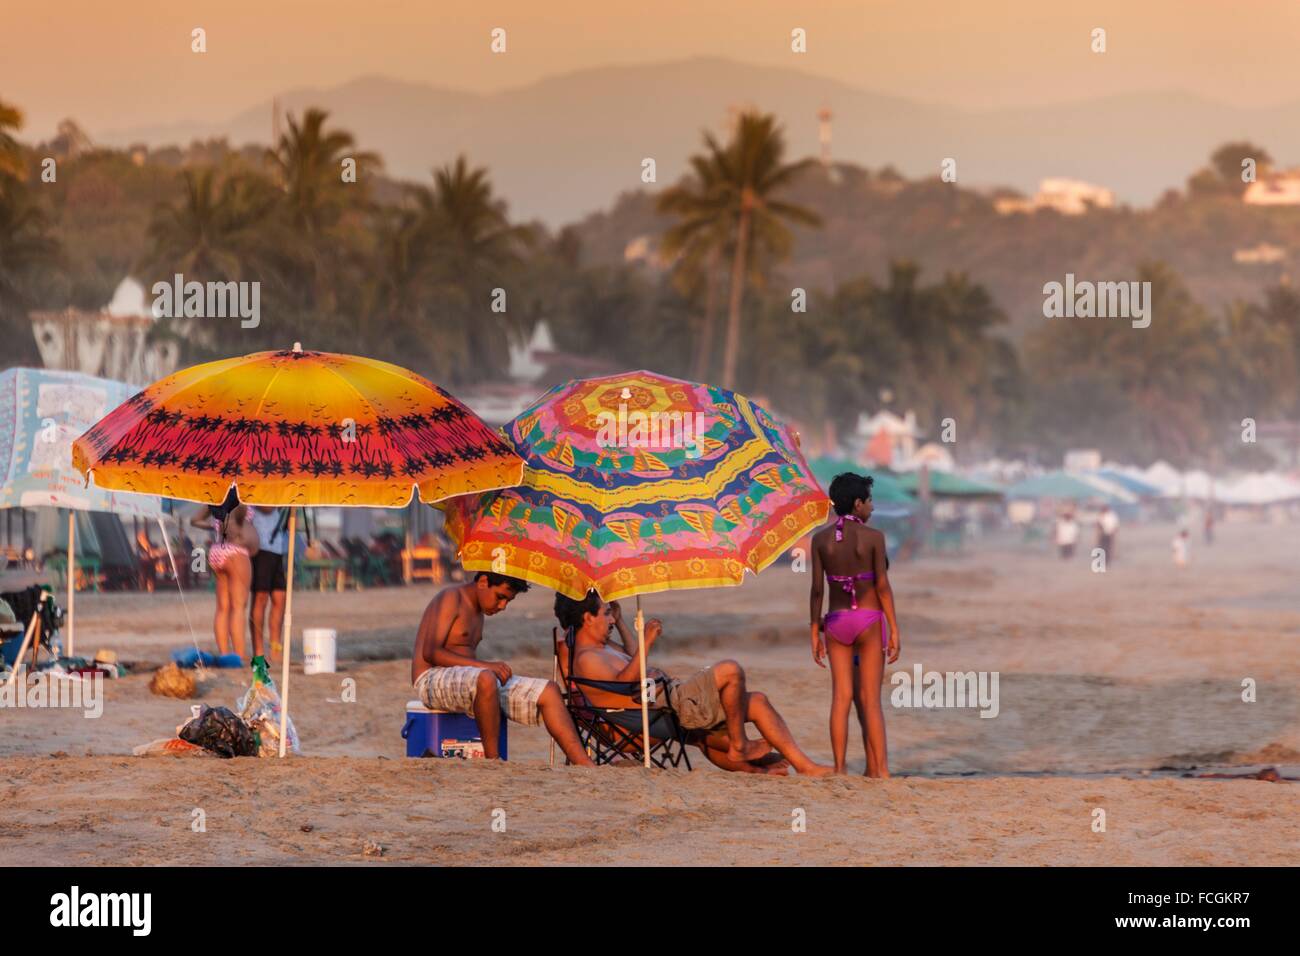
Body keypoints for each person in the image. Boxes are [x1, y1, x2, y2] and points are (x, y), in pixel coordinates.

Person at [557, 590, 834, 776]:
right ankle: (739, 745)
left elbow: (632, 658)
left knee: (756, 701)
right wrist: (649, 640)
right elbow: (626, 682)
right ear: (587, 617)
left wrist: (620, 622)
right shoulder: (587, 657)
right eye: (605, 613)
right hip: (653, 713)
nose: (609, 618)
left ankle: (801, 766)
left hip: (665, 705)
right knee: (730, 670)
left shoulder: (602, 647)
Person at [411, 572, 595, 766]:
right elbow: (431, 652)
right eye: (500, 597)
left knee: (549, 691)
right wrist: (485, 666)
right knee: (486, 678)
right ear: (483, 582)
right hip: (429, 679)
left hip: (470, 680)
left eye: (508, 601)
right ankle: (494, 762)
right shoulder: (451, 597)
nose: (502, 606)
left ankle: (585, 765)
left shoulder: (478, 610)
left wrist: (484, 670)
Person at [809, 472, 900, 777]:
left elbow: (817, 590)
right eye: (870, 501)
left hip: (835, 622)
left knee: (841, 697)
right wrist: (895, 629)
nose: (872, 507)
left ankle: (838, 768)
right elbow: (883, 587)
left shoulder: (820, 540)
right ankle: (882, 772)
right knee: (871, 701)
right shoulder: (874, 538)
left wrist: (813, 632)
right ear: (858, 503)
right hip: (869, 621)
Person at [190, 488, 259, 659]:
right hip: (236, 552)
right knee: (238, 607)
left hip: (217, 552)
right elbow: (239, 517)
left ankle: (224, 653)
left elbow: (194, 520)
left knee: (222, 608)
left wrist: (213, 526)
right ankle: (239, 655)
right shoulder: (241, 495)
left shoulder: (216, 494)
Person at [248, 506, 289, 665]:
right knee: (261, 597)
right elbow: (267, 507)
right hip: (260, 546)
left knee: (280, 598)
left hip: (277, 546)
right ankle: (258, 651)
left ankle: (275, 647)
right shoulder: (259, 486)